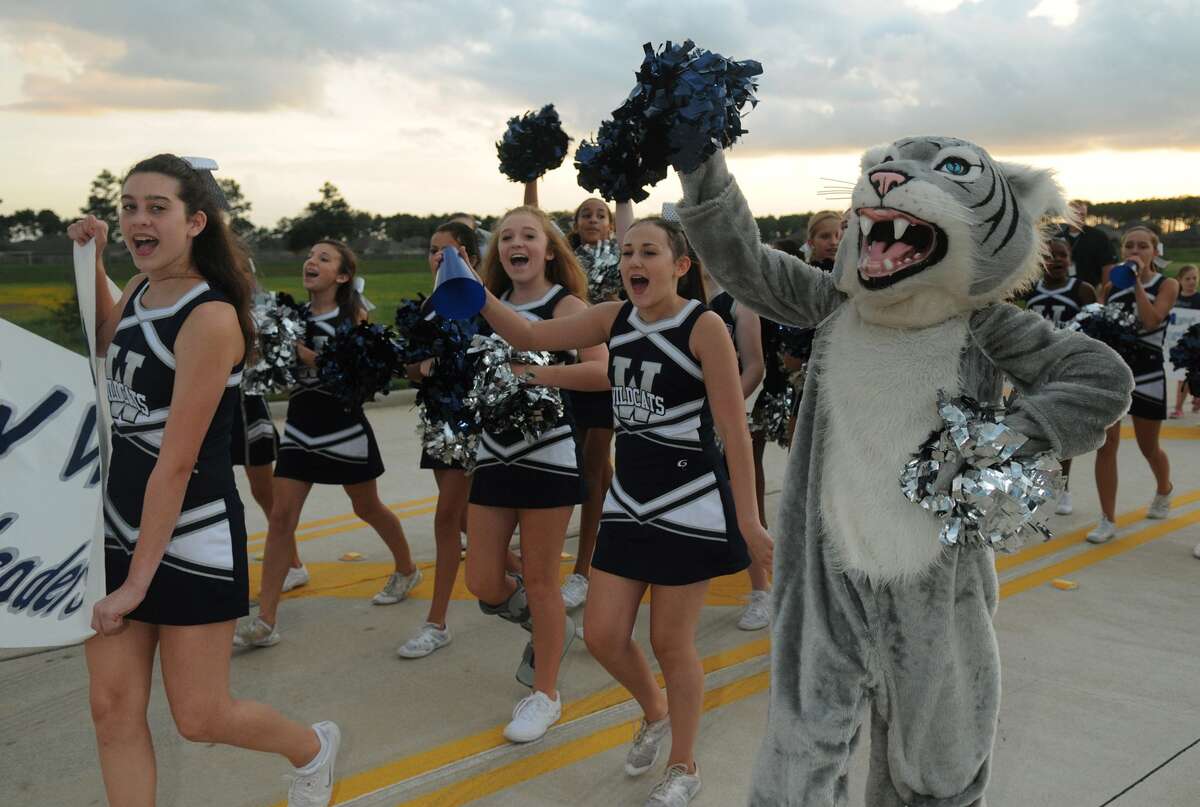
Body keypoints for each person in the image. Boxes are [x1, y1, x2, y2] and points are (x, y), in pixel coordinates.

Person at [69, 154, 338, 807]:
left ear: (194, 222)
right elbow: (110, 338)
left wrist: (136, 581)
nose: (138, 218)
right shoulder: (138, 288)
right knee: (112, 708)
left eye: (155, 207)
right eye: (129, 206)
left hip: (190, 535)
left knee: (200, 715)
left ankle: (313, 748)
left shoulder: (212, 318)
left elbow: (177, 460)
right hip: (116, 523)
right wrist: (96, 259)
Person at [478, 216, 772, 806]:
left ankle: (684, 766)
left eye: (650, 252)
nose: (636, 261)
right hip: (628, 502)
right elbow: (533, 336)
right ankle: (655, 712)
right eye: (628, 251)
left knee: (671, 642)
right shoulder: (615, 317)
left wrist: (748, 520)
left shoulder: (703, 326)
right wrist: (471, 288)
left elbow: (734, 433)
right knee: (604, 635)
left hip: (688, 503)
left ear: (679, 266)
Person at [465, 205, 607, 743]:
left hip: (547, 456)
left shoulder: (566, 304)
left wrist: (534, 370)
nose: (515, 244)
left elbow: (600, 370)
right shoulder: (486, 305)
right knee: (482, 580)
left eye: (529, 235)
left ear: (550, 250)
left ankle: (544, 692)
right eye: (506, 237)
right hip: (492, 455)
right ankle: (549, 628)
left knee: (544, 582)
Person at [235, 240, 420, 647]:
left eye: (323, 258)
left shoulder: (353, 315)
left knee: (367, 507)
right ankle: (266, 620)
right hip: (301, 429)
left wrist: (305, 354)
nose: (310, 261)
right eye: (309, 254)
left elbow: (359, 371)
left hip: (344, 429)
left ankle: (406, 568)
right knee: (282, 517)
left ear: (342, 276)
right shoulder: (291, 316)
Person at [527, 186, 633, 612]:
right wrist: (530, 176)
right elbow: (532, 218)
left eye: (600, 214)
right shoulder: (565, 263)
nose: (592, 219)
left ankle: (583, 571)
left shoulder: (624, 256)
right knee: (595, 471)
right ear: (573, 224)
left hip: (609, 365)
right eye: (585, 214)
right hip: (572, 369)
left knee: (590, 467)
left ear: (610, 224)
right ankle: (615, 521)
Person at [394, 221, 482, 659]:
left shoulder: (482, 302)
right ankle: (525, 585)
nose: (440, 257)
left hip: (479, 427)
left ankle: (437, 621)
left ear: (470, 257)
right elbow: (411, 369)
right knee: (463, 524)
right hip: (440, 427)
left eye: (452, 251)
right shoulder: (427, 308)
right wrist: (418, 364)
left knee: (449, 520)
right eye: (434, 250)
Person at [1088, 225, 1178, 543]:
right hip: (1115, 373)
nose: (1135, 252)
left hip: (1149, 372)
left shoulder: (1168, 283)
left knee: (1148, 447)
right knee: (1107, 445)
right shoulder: (1112, 284)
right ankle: (1107, 519)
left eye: (1142, 246)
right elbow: (1097, 321)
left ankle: (1164, 488)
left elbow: (1152, 319)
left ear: (1155, 252)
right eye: (1129, 246)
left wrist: (1137, 281)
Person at [697, 249, 769, 632]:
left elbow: (755, 365)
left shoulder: (739, 303)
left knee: (741, 504)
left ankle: (762, 590)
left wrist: (721, 408)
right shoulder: (678, 301)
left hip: (724, 422)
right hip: (684, 426)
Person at [1022, 237, 1096, 515]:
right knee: (1034, 431)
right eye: (1050, 255)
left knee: (1064, 432)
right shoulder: (1031, 288)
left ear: (1070, 258)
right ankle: (1031, 486)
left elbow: (1096, 330)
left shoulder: (1083, 290)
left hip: (1068, 370)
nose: (1056, 260)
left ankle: (1064, 487)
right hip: (1035, 370)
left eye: (1062, 255)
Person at [1060, 200, 1117, 288]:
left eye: (1082, 214)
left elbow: (1108, 266)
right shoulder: (1058, 238)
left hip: (1093, 288)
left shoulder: (1099, 237)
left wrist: (1104, 293)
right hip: (1064, 289)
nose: (1079, 217)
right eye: (1075, 213)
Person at [1169, 264, 1200, 418]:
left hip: (1197, 345)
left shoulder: (1199, 299)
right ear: (1179, 280)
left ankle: (1197, 398)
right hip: (1180, 346)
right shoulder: (1174, 299)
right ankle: (1178, 408)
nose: (1192, 281)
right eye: (1187, 278)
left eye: (1194, 278)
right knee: (1182, 377)